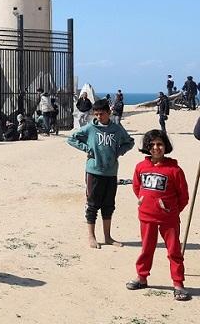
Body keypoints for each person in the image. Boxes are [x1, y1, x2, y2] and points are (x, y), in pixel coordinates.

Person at [125, 130, 190, 301]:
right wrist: (144, 201)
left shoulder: (175, 170)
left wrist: (170, 209)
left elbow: (183, 196)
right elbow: (137, 187)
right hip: (146, 216)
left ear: (165, 146)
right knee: (146, 249)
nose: (156, 148)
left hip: (169, 219)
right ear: (147, 147)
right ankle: (142, 277)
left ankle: (178, 284)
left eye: (159, 144)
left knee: (174, 251)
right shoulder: (140, 167)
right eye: (152, 145)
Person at [66, 99, 135, 249]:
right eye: (96, 114)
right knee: (92, 205)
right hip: (94, 172)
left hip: (111, 172)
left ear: (109, 113)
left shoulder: (116, 129)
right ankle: (91, 236)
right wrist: (87, 148)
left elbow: (129, 142)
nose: (99, 117)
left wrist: (119, 151)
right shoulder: (90, 128)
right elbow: (71, 139)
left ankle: (108, 237)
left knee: (109, 205)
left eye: (101, 114)